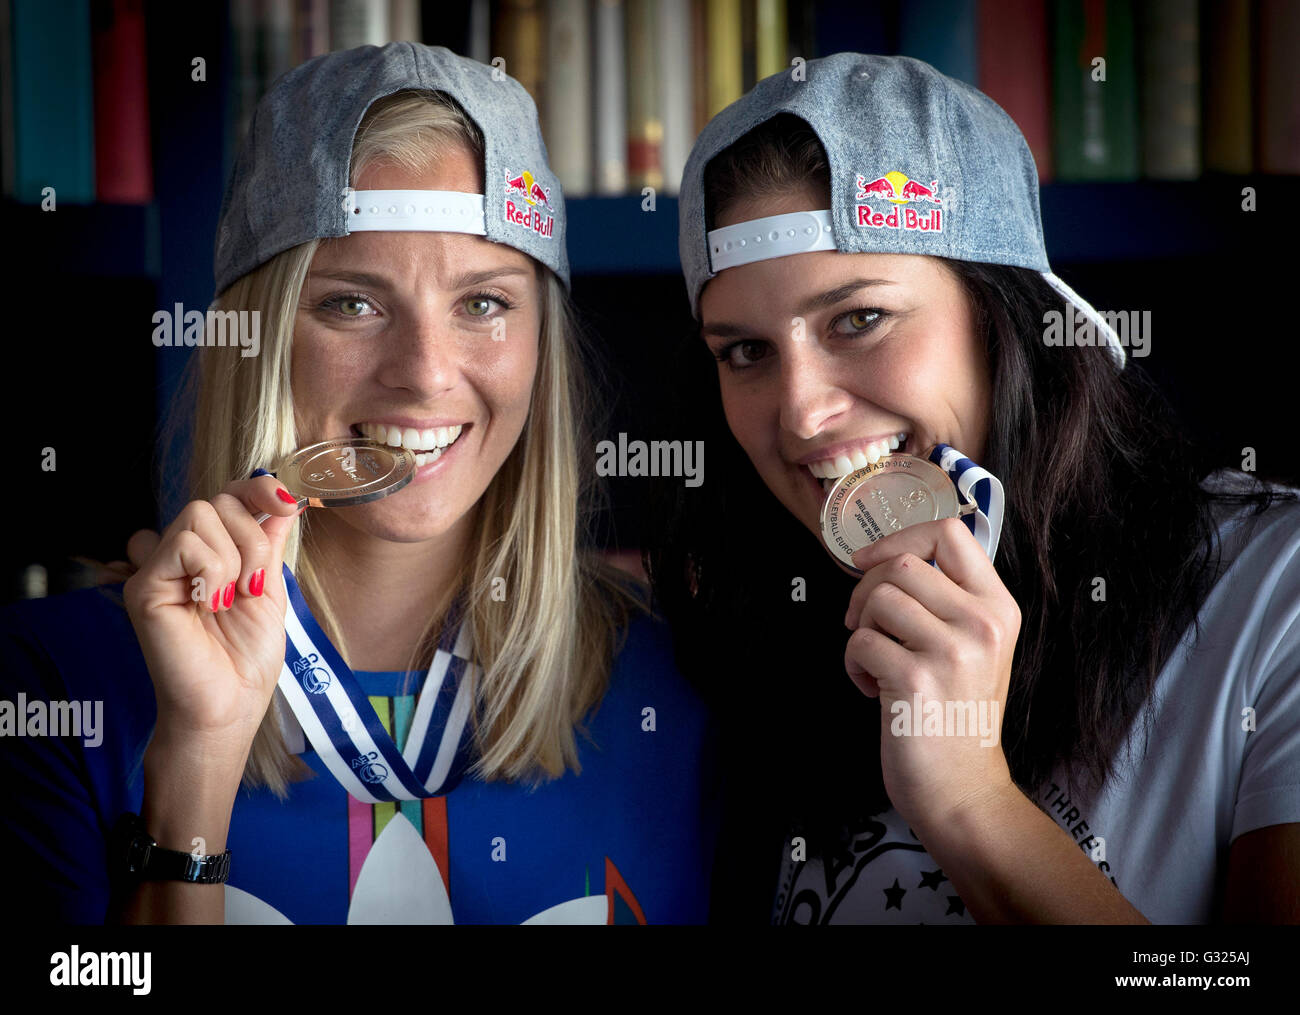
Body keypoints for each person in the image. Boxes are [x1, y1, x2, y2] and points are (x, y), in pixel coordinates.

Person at [0, 43, 717, 925]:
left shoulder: (691, 676)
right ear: (255, 341)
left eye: (484, 302)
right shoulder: (50, 681)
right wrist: (197, 764)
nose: (424, 374)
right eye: (352, 303)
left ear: (542, 342)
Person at [645, 53, 1300, 924]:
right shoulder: (736, 625)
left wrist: (970, 800)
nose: (799, 414)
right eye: (746, 351)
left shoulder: (1273, 594)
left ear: (1004, 318)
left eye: (859, 318)